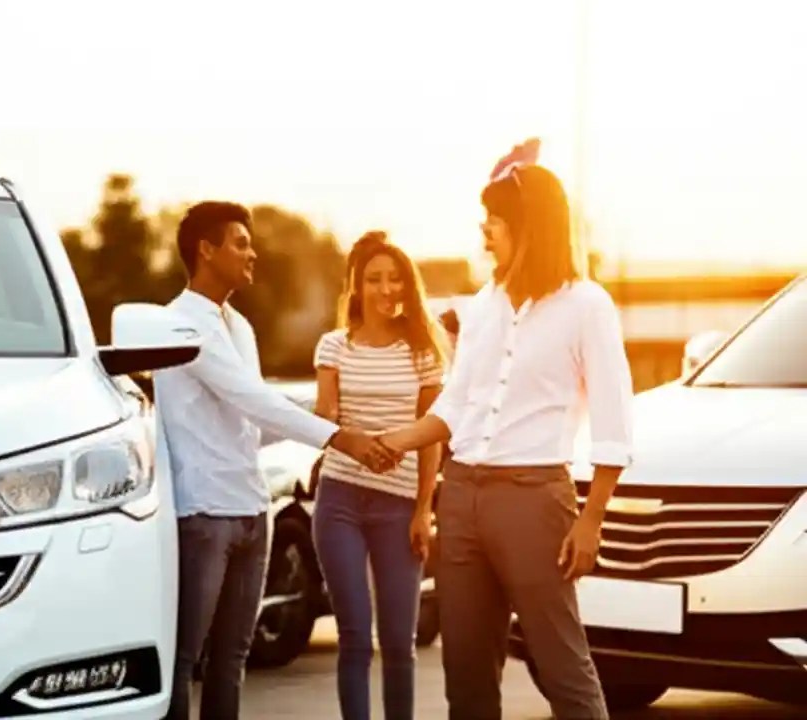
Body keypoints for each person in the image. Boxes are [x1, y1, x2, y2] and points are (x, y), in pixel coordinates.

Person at [374, 142, 634, 719]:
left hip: (534, 501)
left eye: (495, 220)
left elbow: (615, 420)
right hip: (461, 497)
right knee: (464, 676)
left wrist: (592, 520)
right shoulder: (484, 307)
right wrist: (395, 442)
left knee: (563, 668)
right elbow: (457, 402)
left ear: (530, 227)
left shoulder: (587, 306)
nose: (484, 231)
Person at [155, 201, 392, 720]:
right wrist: (338, 436)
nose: (252, 253)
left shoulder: (238, 325)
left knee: (232, 657)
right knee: (182, 657)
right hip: (202, 515)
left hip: (250, 510)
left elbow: (256, 418)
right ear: (206, 250)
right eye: (240, 243)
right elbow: (251, 399)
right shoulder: (178, 325)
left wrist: (336, 404)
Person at [310, 231, 447, 720]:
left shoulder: (423, 353)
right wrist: (338, 430)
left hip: (400, 504)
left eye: (395, 280)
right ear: (357, 286)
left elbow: (432, 437)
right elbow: (325, 416)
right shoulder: (334, 347)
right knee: (354, 635)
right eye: (375, 279)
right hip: (340, 499)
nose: (386, 289)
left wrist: (423, 508)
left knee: (398, 641)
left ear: (409, 287)